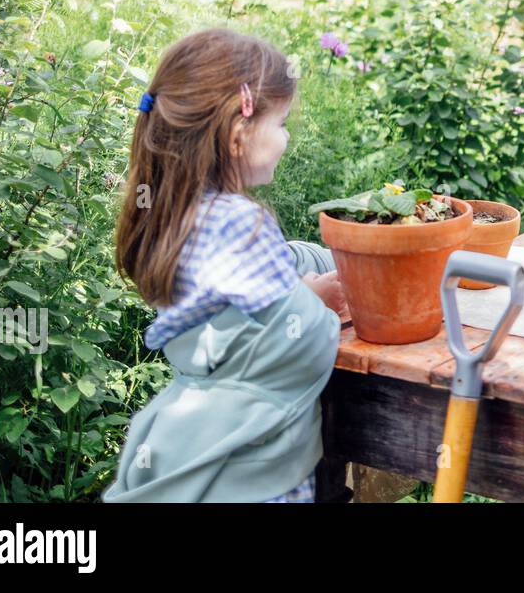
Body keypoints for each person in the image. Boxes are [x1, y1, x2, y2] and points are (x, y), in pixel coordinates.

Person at [104, 28, 346, 503]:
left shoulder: (170, 214)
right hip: (252, 463)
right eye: (280, 123)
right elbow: (296, 343)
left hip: (190, 438)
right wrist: (319, 301)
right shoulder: (242, 223)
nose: (286, 136)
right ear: (239, 131)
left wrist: (309, 273)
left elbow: (253, 291)